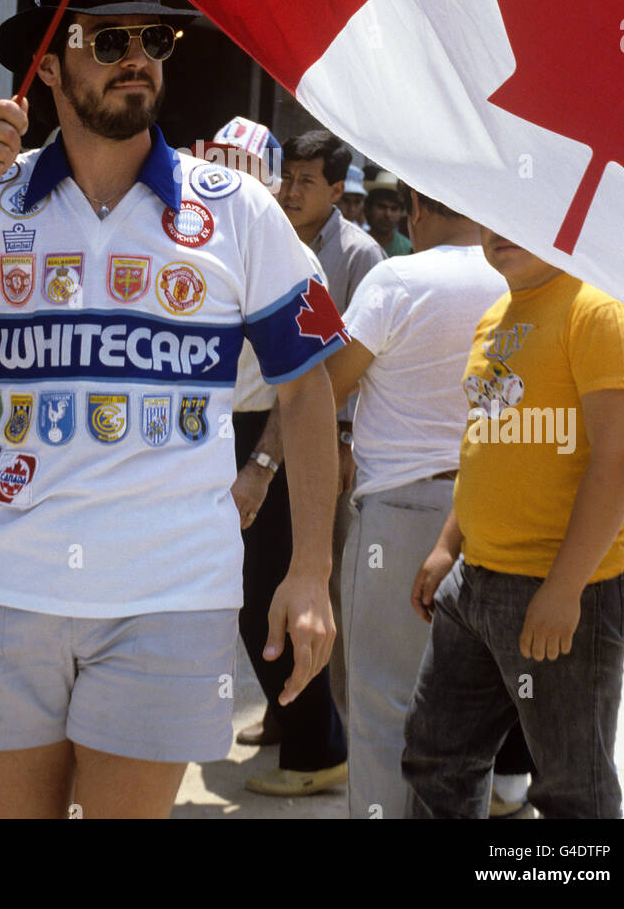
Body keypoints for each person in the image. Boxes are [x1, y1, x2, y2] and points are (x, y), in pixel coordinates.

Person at [0, 0, 344, 820]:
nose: (138, 60)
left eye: (154, 40)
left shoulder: (237, 211)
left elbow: (308, 386)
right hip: (7, 586)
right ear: (48, 65)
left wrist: (308, 569)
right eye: (108, 42)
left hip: (173, 593)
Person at [402, 229, 624, 819]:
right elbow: (487, 441)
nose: (500, 231)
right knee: (435, 758)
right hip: (475, 581)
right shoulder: (498, 314)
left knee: (571, 792)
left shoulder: (601, 309)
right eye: (493, 217)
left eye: (522, 217)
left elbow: (621, 458)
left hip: (566, 591)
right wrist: (448, 545)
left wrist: (564, 589)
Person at [325, 183, 507, 817]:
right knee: (466, 723)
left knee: (381, 705)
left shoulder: (396, 279)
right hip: (493, 512)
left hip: (400, 518)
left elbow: (328, 388)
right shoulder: (514, 279)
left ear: (418, 211)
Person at [213, 118, 347, 796]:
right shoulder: (206, 242)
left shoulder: (287, 256)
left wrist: (260, 468)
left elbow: (304, 386)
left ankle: (316, 751)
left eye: (242, 168)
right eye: (218, 165)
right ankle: (283, 711)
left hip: (266, 438)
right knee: (242, 595)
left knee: (271, 596)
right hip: (218, 433)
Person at [278, 129, 385, 716]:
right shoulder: (265, 237)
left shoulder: (360, 256)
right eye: (287, 176)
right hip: (260, 438)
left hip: (330, 444)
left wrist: (344, 438)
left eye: (307, 181)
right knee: (269, 576)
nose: (291, 191)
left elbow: (361, 362)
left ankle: (332, 726)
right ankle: (285, 712)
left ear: (338, 190)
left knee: (327, 583)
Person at [363, 172, 412, 257]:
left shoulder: (408, 249)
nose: (387, 214)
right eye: (381, 206)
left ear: (401, 213)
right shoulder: (357, 242)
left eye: (394, 208)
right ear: (369, 208)